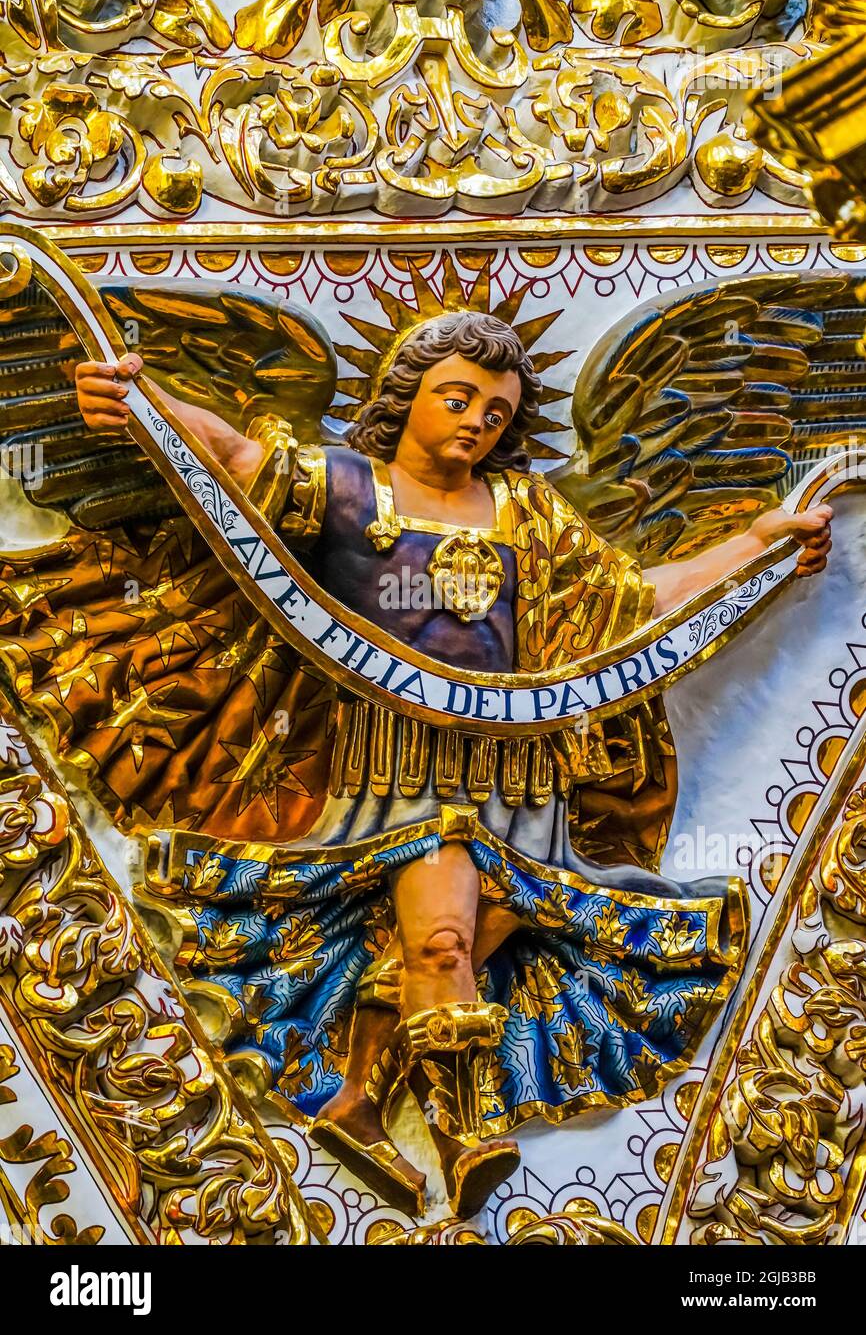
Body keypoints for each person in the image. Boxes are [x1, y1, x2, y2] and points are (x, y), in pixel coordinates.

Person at [74, 312, 831, 1219]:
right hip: (401, 769)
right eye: (458, 397)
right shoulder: (348, 486)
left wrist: (758, 548)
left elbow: (630, 602)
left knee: (478, 935)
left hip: (522, 777)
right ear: (407, 398)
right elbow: (235, 459)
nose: (478, 420)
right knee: (442, 936)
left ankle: (354, 1095)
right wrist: (137, 395)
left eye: (500, 412)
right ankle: (466, 1130)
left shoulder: (529, 513)